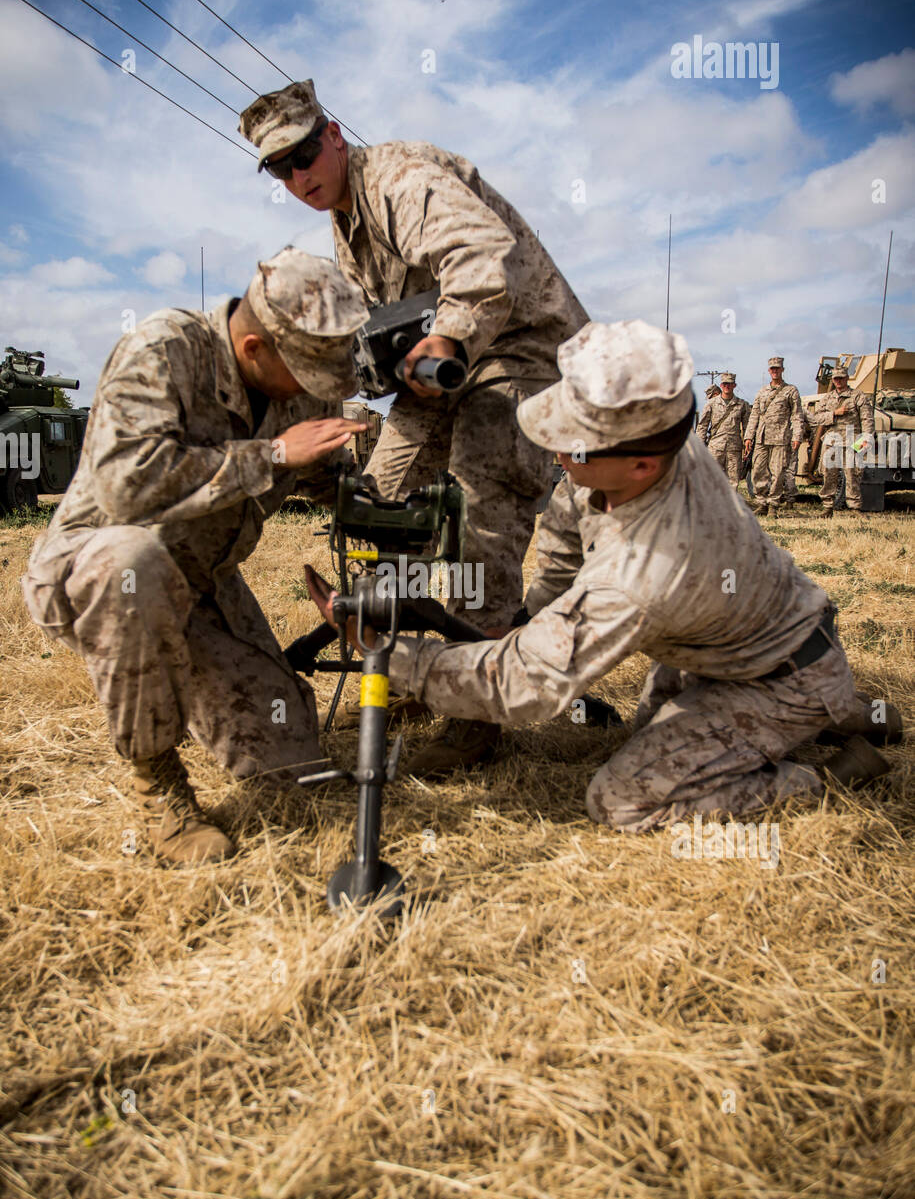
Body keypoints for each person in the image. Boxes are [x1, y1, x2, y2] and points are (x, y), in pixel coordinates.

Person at [309, 320, 900, 834]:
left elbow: (526, 687)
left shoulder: (646, 570)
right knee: (648, 730)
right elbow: (567, 543)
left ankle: (816, 776)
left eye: (573, 444)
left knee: (624, 795)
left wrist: (389, 655)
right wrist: (522, 620)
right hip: (744, 642)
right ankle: (851, 708)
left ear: (641, 463)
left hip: (774, 672)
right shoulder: (651, 429)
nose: (556, 453)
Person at [238, 79, 590, 772]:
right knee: (379, 504)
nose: (298, 174)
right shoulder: (346, 227)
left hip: (516, 347)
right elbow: (375, 331)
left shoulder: (398, 180)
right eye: (279, 167)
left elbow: (482, 256)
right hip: (434, 373)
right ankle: (404, 662)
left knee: (481, 502)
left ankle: (478, 711)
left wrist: (451, 338)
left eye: (305, 152)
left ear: (334, 133)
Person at [22, 248, 370, 865]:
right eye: (309, 378)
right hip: (100, 568)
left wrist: (375, 544)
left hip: (202, 582)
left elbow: (331, 478)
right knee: (134, 563)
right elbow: (126, 484)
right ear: (256, 348)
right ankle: (159, 786)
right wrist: (273, 456)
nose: (318, 396)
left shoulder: (300, 386)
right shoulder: (163, 349)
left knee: (293, 767)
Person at [744, 356, 807, 516]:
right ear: (769, 371)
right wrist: (748, 437)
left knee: (777, 472)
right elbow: (754, 415)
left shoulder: (790, 390)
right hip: (761, 437)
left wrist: (797, 436)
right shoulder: (762, 391)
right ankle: (761, 503)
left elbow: (797, 415)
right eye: (772, 369)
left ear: (782, 370)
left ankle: (773, 505)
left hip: (780, 437)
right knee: (758, 471)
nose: (775, 371)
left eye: (777, 368)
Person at [815, 365, 875, 518]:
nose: (838, 381)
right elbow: (817, 418)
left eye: (841, 378)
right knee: (829, 475)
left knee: (853, 475)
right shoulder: (827, 398)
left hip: (852, 443)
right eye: (836, 378)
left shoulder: (858, 396)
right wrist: (834, 413)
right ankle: (828, 507)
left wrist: (863, 444)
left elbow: (867, 421)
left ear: (847, 378)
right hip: (831, 443)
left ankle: (855, 508)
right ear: (833, 380)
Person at [696, 372, 747, 490]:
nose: (727, 386)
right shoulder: (711, 403)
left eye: (729, 384)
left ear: (734, 385)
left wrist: (747, 443)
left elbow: (747, 426)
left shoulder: (741, 404)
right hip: (715, 447)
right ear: (721, 385)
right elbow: (702, 425)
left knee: (733, 480)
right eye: (724, 384)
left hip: (734, 448)